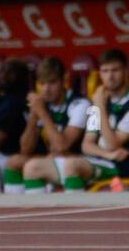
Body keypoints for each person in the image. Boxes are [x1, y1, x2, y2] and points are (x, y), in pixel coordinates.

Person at [24, 50, 129, 190]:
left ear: (126, 71)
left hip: (122, 167)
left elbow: (113, 144)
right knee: (32, 167)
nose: (110, 77)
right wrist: (106, 154)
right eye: (105, 71)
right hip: (99, 160)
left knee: (72, 165)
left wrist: (99, 106)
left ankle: (74, 210)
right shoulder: (101, 101)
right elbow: (87, 145)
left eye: (115, 70)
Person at [11, 56, 90, 191]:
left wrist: (41, 112)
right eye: (42, 83)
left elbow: (62, 146)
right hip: (53, 159)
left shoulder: (80, 104)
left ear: (63, 81)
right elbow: (25, 149)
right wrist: (34, 116)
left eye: (52, 83)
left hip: (78, 161)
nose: (46, 89)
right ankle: (14, 209)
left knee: (34, 166)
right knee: (14, 162)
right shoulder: (42, 105)